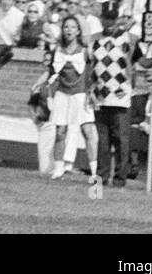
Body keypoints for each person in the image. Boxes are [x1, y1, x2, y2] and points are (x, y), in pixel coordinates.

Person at [38, 14, 98, 181]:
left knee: (88, 131)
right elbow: (51, 72)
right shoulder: (57, 50)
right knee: (60, 131)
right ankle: (58, 168)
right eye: (66, 27)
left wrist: (90, 92)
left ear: (78, 30)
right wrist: (41, 85)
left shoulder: (85, 50)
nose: (69, 30)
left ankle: (94, 171)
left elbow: (93, 74)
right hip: (62, 94)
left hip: (80, 94)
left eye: (72, 27)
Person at [89, 15, 141, 186]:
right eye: (106, 19)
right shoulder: (94, 39)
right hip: (101, 95)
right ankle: (101, 177)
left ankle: (120, 178)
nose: (109, 23)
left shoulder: (129, 40)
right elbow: (90, 66)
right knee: (103, 140)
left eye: (112, 19)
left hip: (121, 95)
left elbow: (140, 61)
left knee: (120, 139)